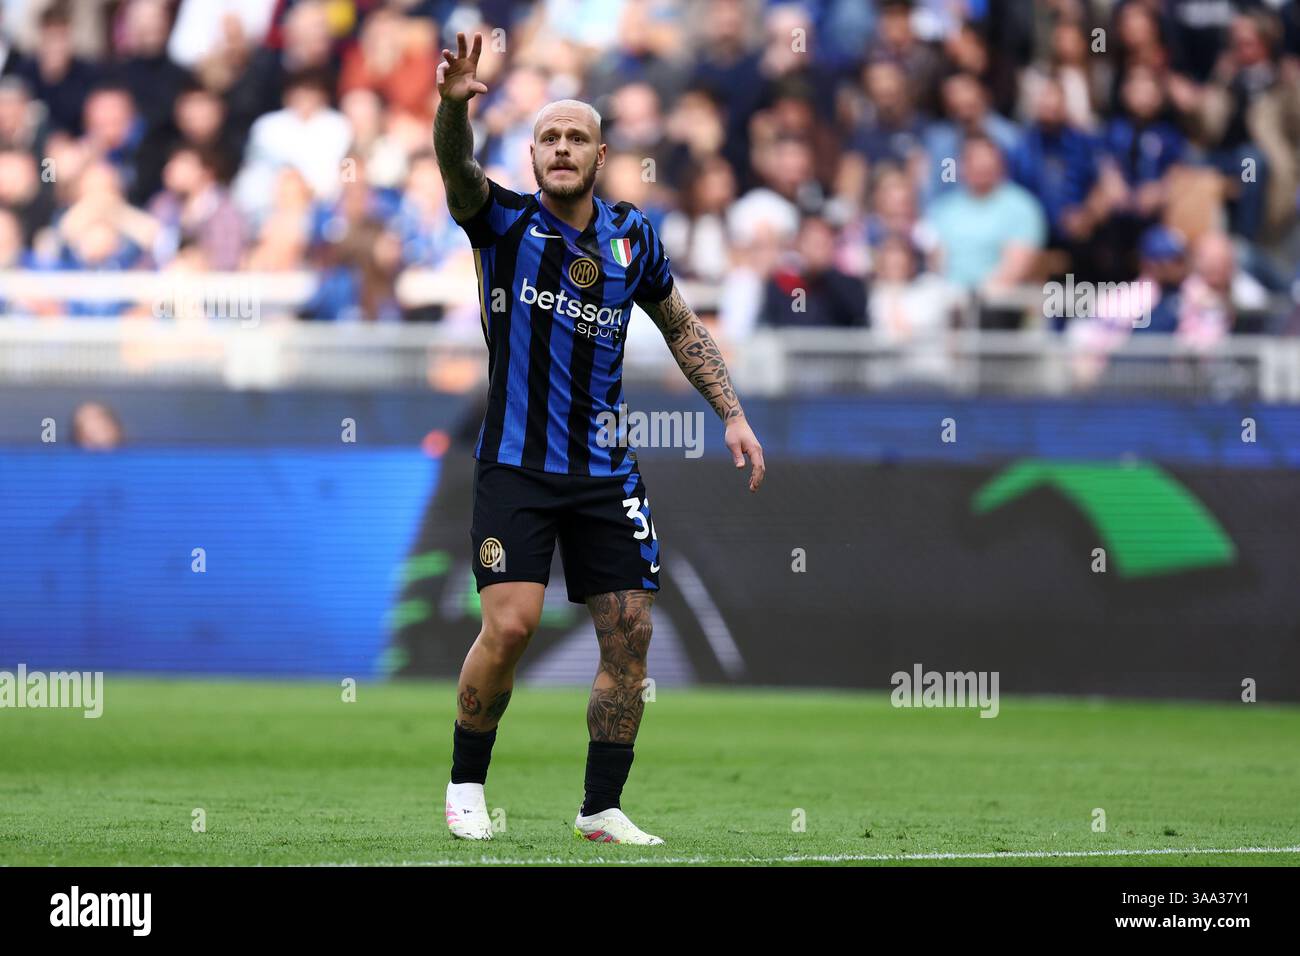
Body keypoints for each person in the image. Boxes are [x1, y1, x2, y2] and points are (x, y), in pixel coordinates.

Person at [434, 33, 765, 846]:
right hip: (515, 464)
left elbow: (683, 327)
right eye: (548, 137)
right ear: (532, 152)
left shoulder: (632, 238)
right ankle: (466, 784)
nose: (560, 149)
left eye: (576, 137)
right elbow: (456, 169)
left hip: (605, 471)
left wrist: (731, 409)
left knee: (631, 635)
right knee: (508, 628)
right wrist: (450, 108)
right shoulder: (502, 223)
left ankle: (600, 807)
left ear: (601, 154)